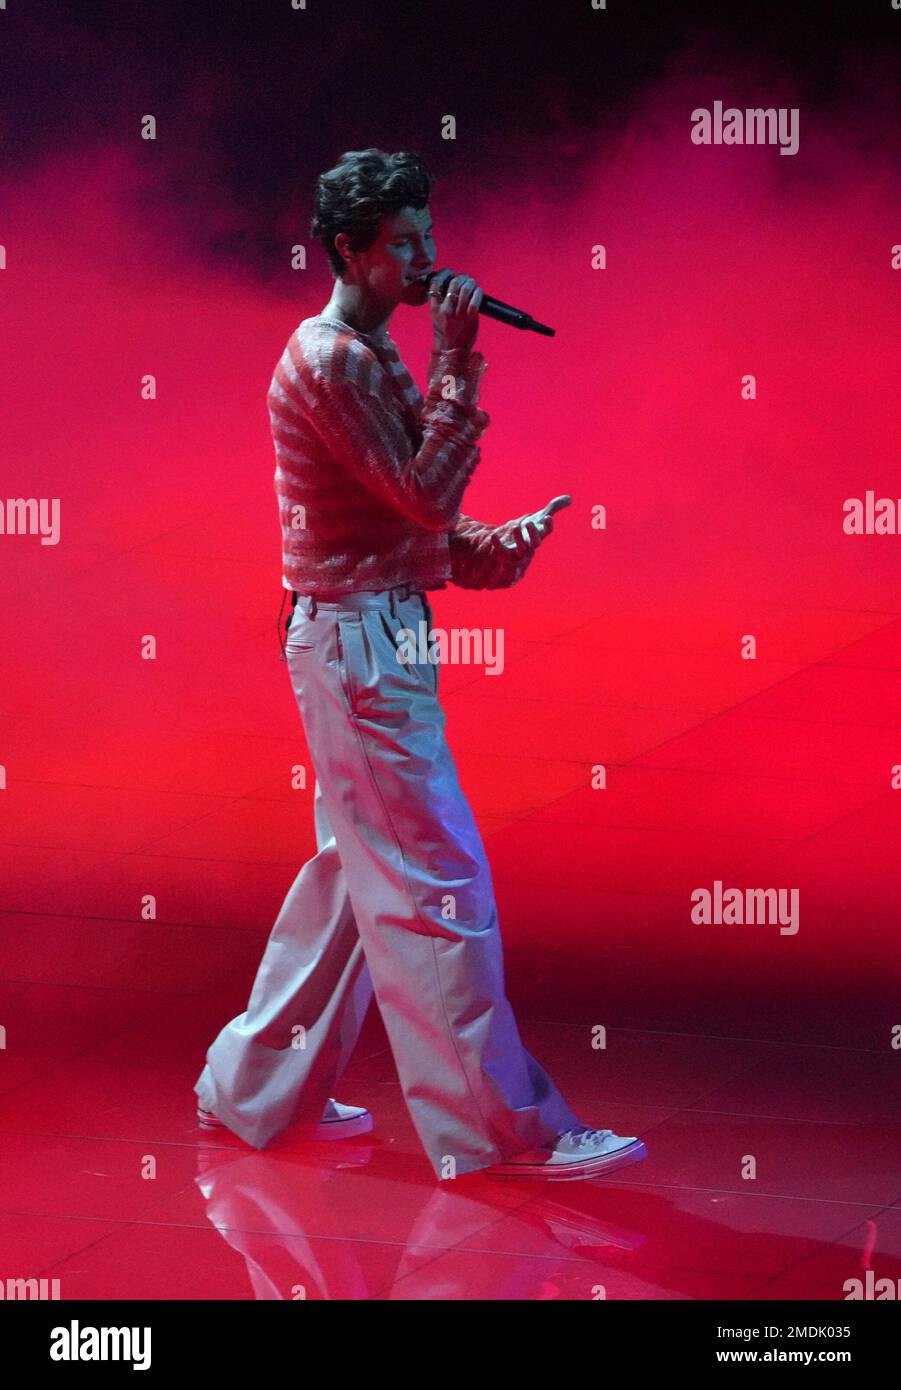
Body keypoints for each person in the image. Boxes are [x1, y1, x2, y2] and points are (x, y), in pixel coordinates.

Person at [194, 148, 648, 1182]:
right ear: (351, 250)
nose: (432, 262)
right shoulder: (337, 358)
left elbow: (401, 513)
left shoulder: (363, 346)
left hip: (363, 631)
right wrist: (459, 358)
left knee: (357, 880)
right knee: (438, 883)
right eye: (406, 246)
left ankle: (249, 1088)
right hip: (361, 645)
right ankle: (500, 1133)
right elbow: (422, 494)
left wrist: (489, 552)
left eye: (429, 238)